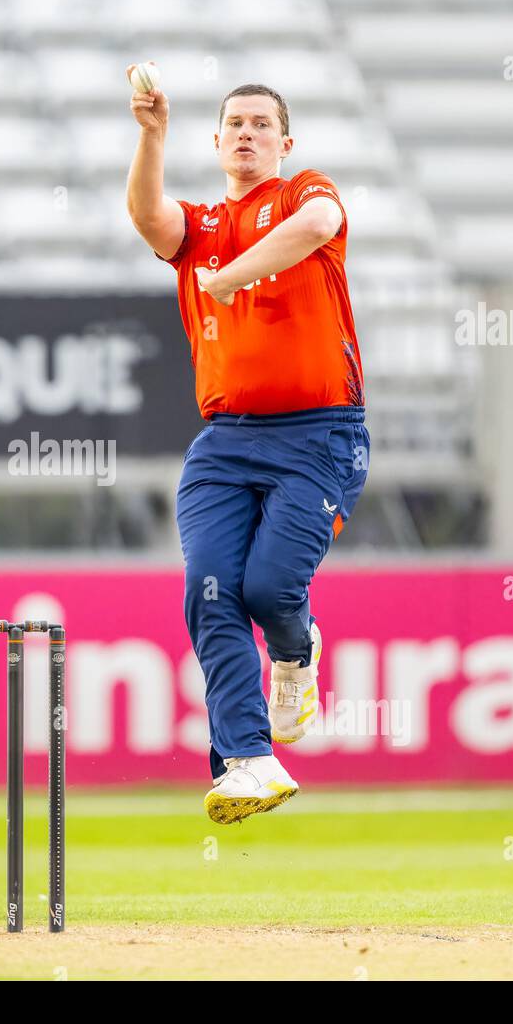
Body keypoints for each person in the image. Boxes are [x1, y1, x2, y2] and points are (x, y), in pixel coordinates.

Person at [125, 71, 370, 824]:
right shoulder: (199, 226)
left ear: (284, 142)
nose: (247, 133)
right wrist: (152, 135)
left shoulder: (303, 192)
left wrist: (228, 277)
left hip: (320, 432)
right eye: (234, 123)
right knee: (209, 591)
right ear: (217, 138)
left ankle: (296, 652)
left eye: (262, 124)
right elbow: (148, 216)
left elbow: (319, 226)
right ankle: (249, 759)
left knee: (268, 589)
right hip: (225, 442)